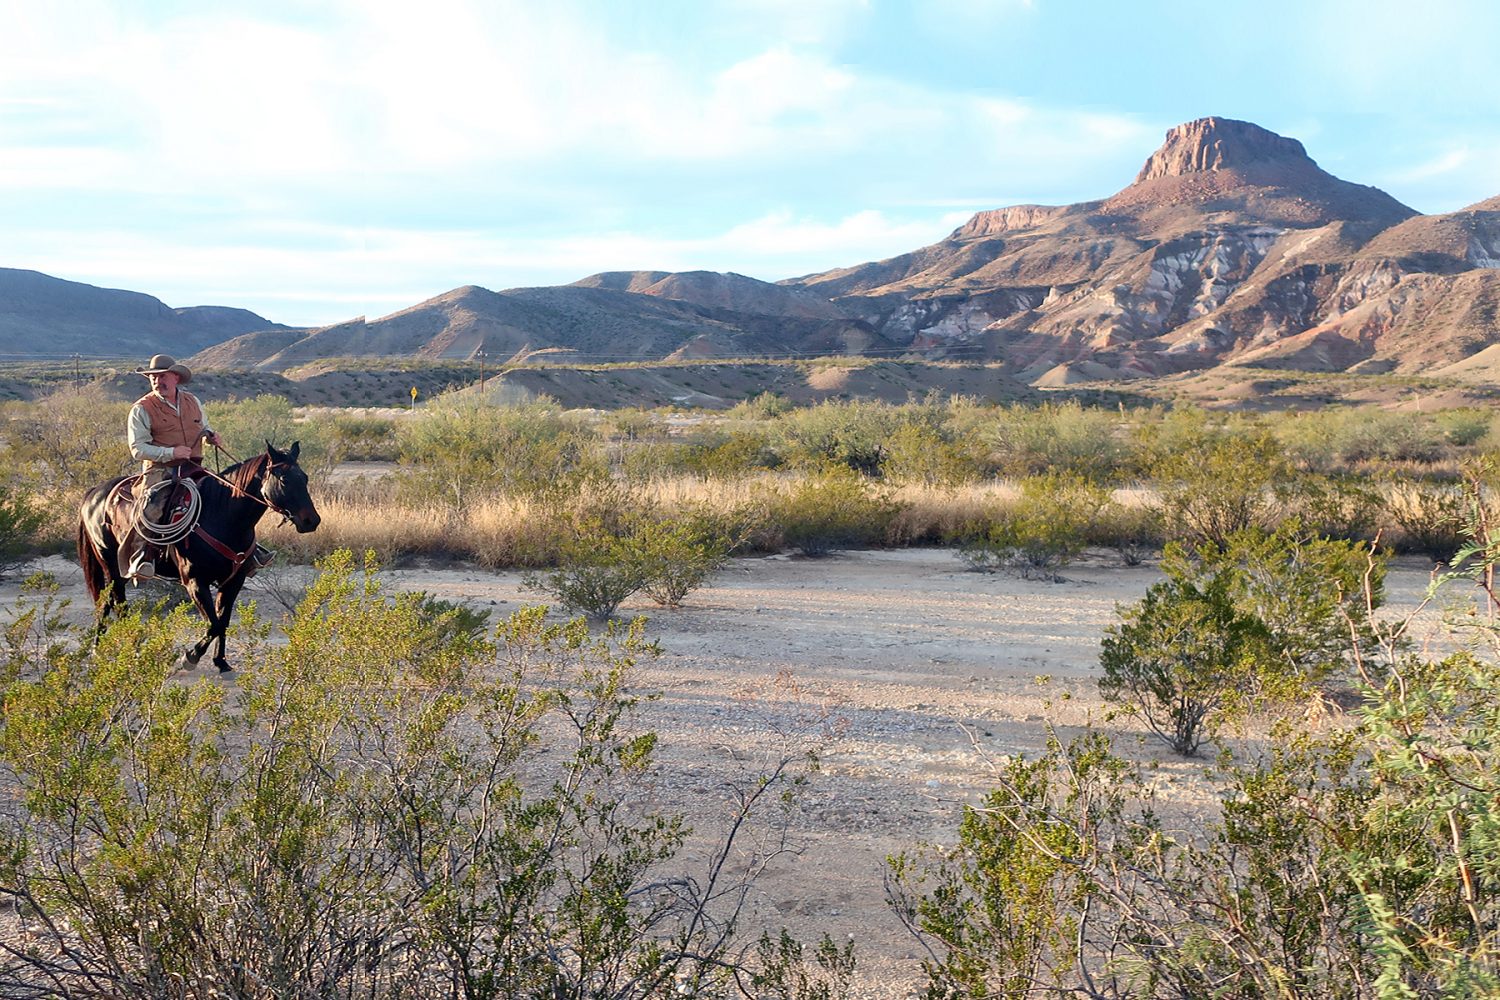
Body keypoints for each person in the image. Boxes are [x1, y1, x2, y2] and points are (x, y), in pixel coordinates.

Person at [125, 353, 223, 580]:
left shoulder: (192, 401)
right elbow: (137, 449)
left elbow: (204, 426)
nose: (157, 381)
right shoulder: (142, 408)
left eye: (162, 376)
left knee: (225, 496)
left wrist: (211, 436)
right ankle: (141, 557)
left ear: (175, 377)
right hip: (160, 469)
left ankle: (246, 551)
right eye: (153, 377)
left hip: (194, 466)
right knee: (151, 507)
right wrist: (170, 453)